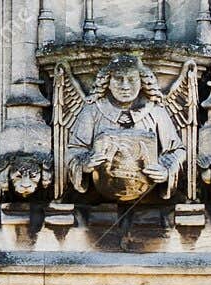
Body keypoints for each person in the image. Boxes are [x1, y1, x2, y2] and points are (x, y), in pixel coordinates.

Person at [68, 53, 185, 201]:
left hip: (146, 191)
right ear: (107, 82)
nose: (125, 86)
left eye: (131, 79)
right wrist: (84, 163)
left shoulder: (155, 111)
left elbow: (177, 150)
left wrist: (166, 169)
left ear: (142, 82)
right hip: (99, 193)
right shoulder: (93, 110)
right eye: (118, 79)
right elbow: (74, 149)